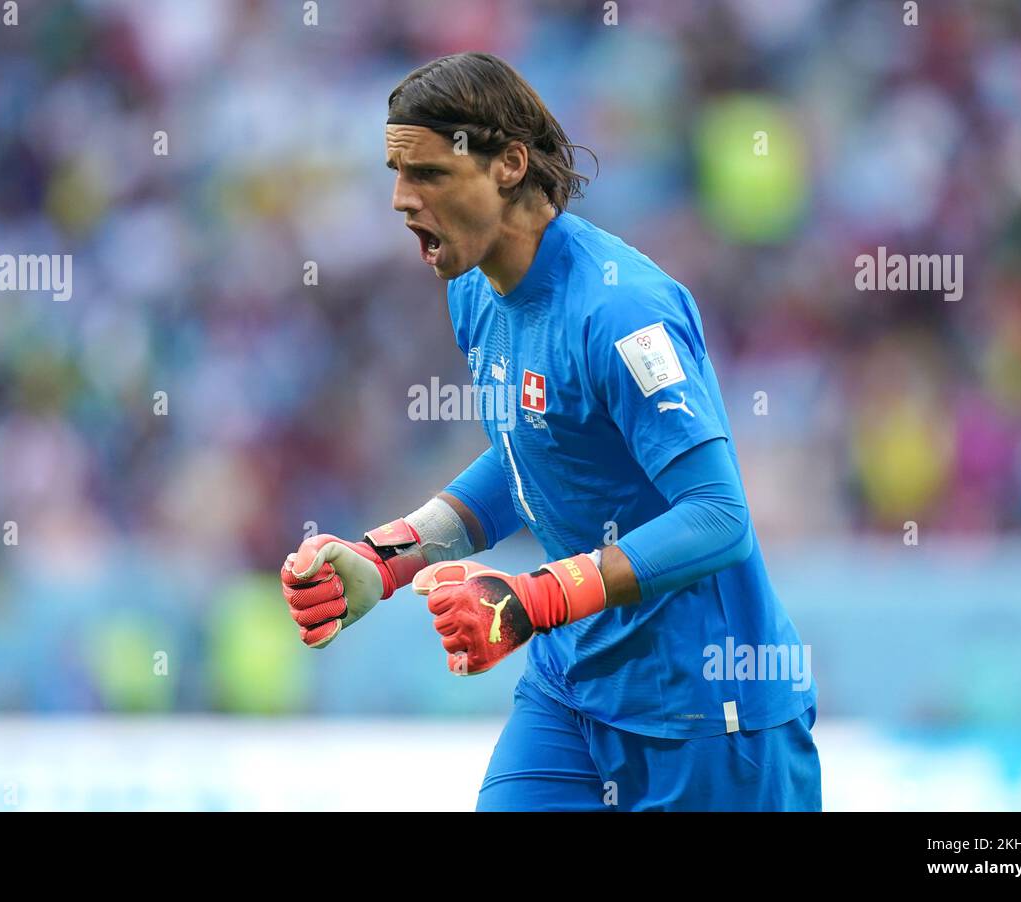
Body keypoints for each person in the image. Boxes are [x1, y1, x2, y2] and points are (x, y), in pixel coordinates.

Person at [281, 52, 821, 812]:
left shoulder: (622, 311)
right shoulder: (474, 292)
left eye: (428, 174)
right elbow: (534, 452)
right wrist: (387, 557)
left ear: (508, 164)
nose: (401, 200)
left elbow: (718, 518)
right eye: (396, 174)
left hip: (711, 713)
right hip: (573, 691)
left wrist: (533, 598)